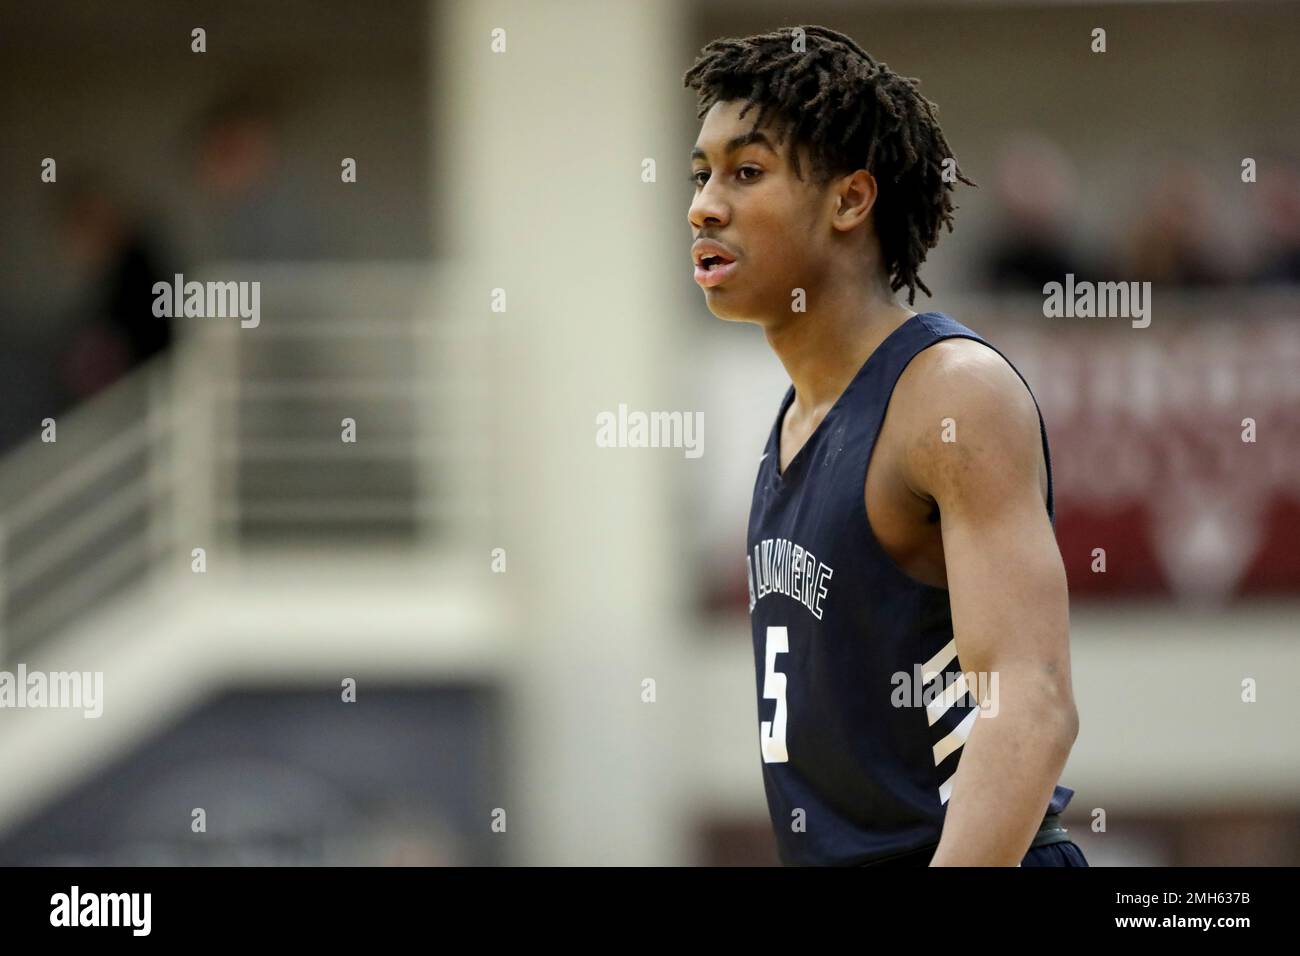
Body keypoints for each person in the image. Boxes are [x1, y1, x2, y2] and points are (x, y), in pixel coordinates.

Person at [683, 25, 1086, 866]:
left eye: (745, 173)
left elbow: (1032, 704)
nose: (703, 206)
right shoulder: (795, 419)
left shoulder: (950, 393)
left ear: (850, 200)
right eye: (702, 174)